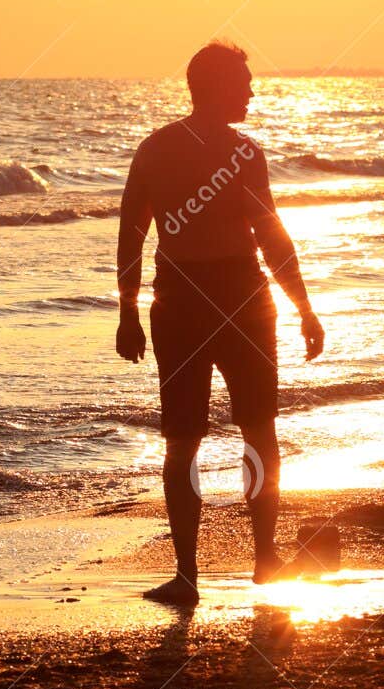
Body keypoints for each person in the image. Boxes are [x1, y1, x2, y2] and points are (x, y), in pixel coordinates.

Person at [115, 41, 324, 605]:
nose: (252, 91)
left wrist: (128, 312)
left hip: (204, 299)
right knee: (227, 435)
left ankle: (205, 572)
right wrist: (127, 311)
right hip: (221, 299)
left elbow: (134, 236)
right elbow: (134, 231)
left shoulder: (168, 149)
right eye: (243, 81)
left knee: (209, 437)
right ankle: (248, 562)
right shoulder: (226, 153)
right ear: (212, 86)